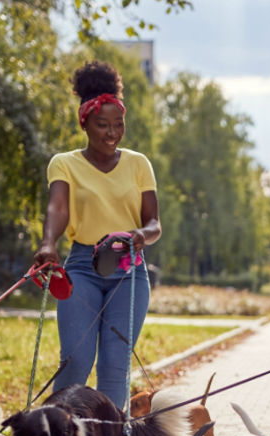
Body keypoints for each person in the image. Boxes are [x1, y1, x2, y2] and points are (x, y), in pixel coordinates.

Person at [34, 60, 161, 411]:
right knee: (76, 359)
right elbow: (58, 208)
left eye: (118, 124)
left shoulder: (138, 164)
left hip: (129, 271)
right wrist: (48, 245)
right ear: (84, 122)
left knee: (114, 366)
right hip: (82, 266)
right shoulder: (65, 163)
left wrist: (141, 234)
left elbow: (154, 224)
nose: (112, 132)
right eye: (102, 125)